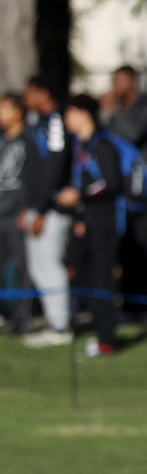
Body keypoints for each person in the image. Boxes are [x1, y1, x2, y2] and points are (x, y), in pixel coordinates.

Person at [104, 65, 147, 310]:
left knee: (145, 252)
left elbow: (133, 133)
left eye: (119, 81)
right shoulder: (118, 112)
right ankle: (130, 307)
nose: (114, 87)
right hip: (124, 192)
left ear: (132, 82)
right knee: (127, 253)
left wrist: (114, 110)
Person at [59, 94, 122, 356]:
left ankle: (106, 340)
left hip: (105, 224)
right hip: (87, 222)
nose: (66, 120)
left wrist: (80, 194)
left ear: (84, 114)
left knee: (101, 280)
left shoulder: (102, 144)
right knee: (79, 271)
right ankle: (96, 332)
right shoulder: (80, 145)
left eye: (70, 113)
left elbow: (111, 182)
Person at [20, 76, 73, 347]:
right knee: (38, 266)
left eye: (30, 93)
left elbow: (54, 168)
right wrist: (28, 207)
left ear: (44, 93)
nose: (26, 98)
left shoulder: (55, 122)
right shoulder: (35, 122)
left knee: (51, 265)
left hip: (51, 209)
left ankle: (61, 325)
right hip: (36, 207)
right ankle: (55, 321)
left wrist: (40, 209)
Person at [0, 92, 37, 334]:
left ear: (17, 110)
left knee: (22, 267)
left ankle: (22, 319)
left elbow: (36, 178)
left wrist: (29, 209)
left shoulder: (29, 141)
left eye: (4, 108)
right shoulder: (2, 140)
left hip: (17, 214)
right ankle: (4, 314)